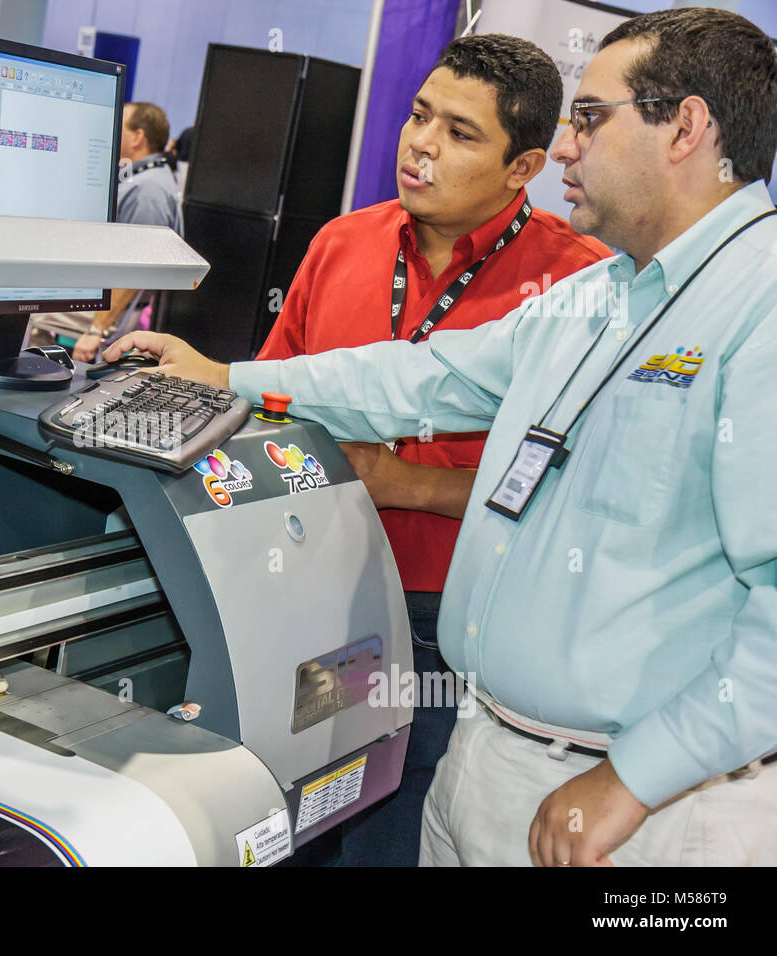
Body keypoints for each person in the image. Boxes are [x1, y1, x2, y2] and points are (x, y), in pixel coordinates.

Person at [107, 6, 777, 866]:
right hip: (489, 752)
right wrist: (223, 378)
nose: (567, 150)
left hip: (635, 802)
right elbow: (416, 378)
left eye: (589, 118)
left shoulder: (757, 304)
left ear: (685, 128)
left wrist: (637, 778)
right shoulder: (606, 294)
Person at [257, 33, 609, 867]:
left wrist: (405, 483)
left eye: (459, 132)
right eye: (420, 115)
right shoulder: (342, 242)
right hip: (312, 594)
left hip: (445, 622)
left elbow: (573, 486)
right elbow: (274, 391)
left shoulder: (580, 284)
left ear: (524, 168)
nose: (421, 144)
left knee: (397, 831)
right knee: (296, 808)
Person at [29, 102, 184, 363]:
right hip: (105, 299)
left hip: (111, 310)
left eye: (119, 126)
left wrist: (95, 330)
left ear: (138, 137)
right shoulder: (147, 178)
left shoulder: (148, 190)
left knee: (28, 305)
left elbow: (138, 267)